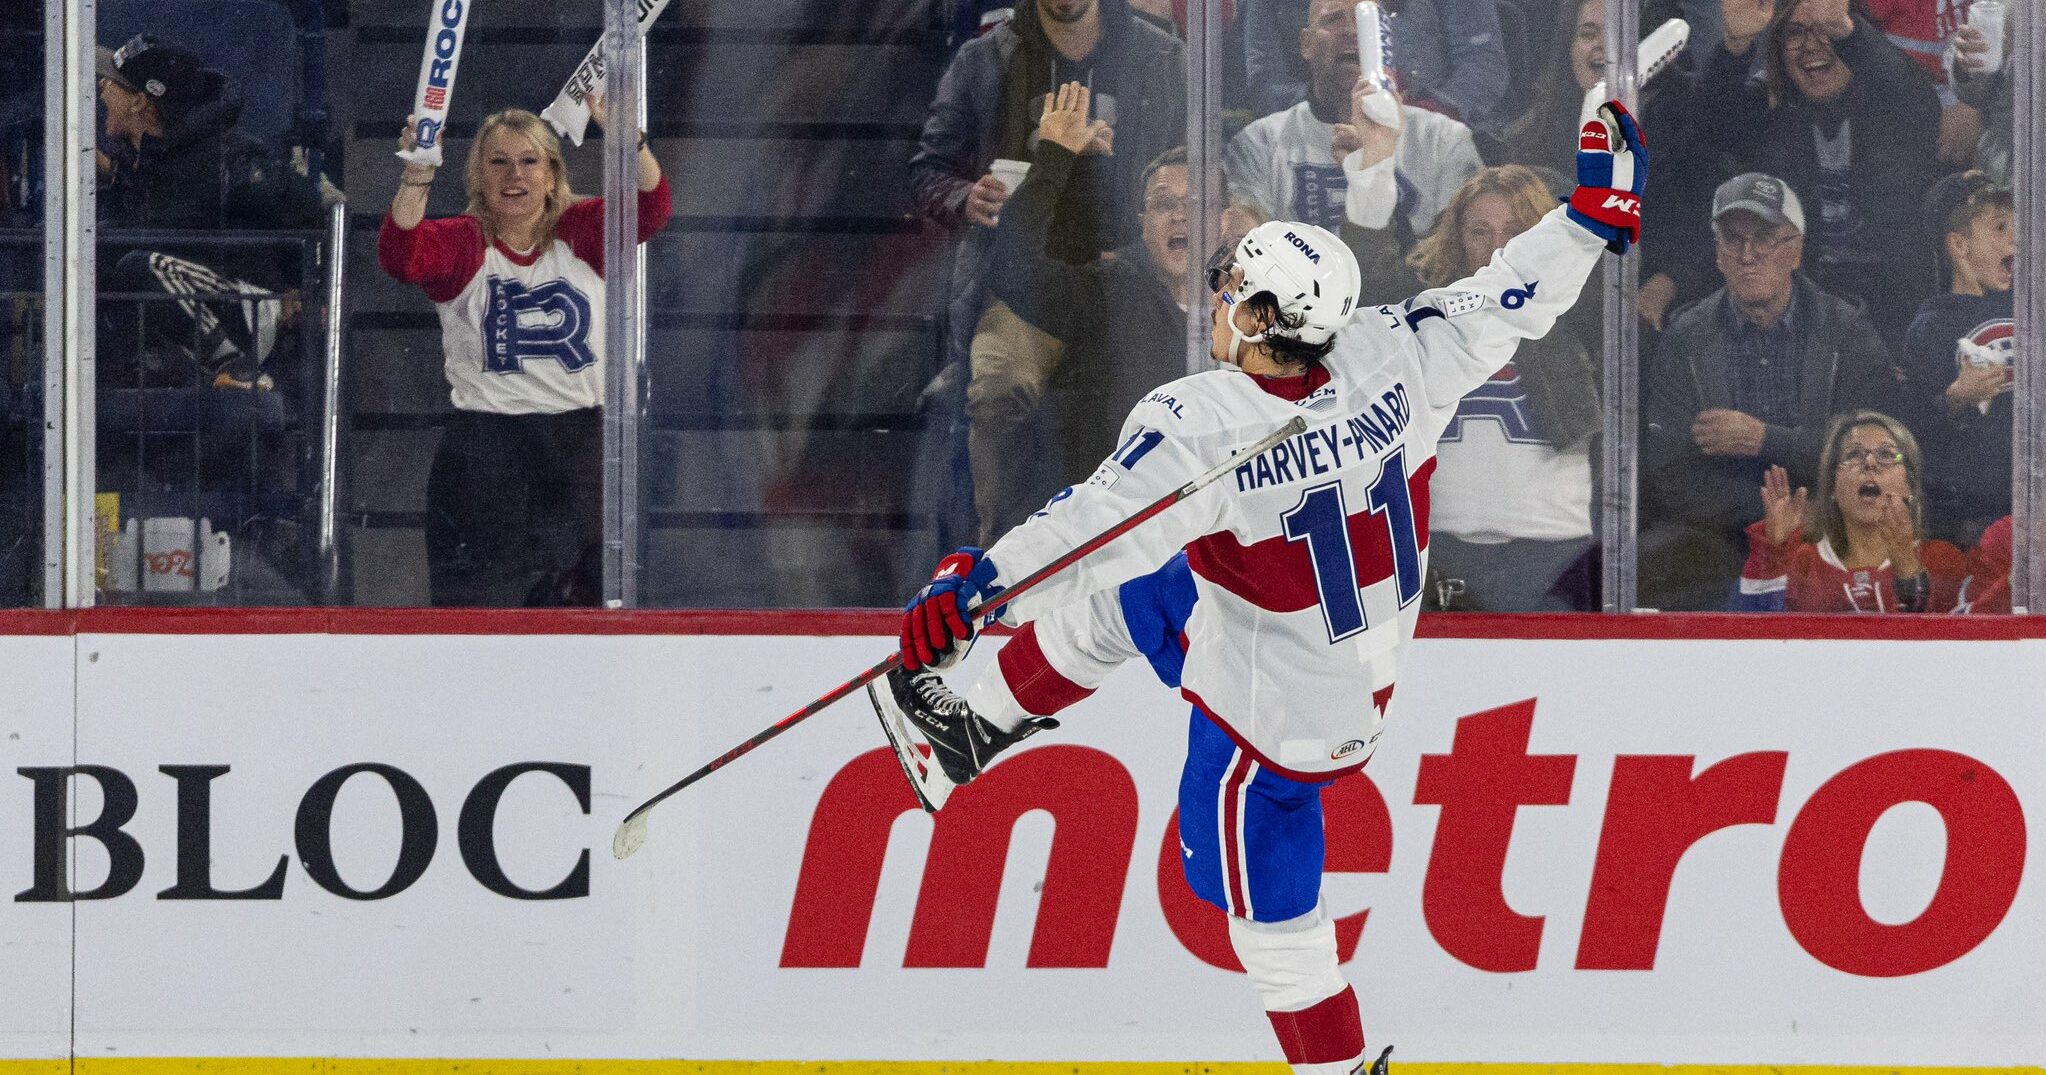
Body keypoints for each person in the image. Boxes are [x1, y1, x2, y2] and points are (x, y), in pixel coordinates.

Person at [871, 101, 1648, 1075]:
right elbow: (1511, 293)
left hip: (1271, 713)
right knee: (1140, 594)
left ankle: (1332, 1067)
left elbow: (1088, 528)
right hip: (1356, 661)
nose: (1218, 302)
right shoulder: (1395, 349)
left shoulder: (1207, 423)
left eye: (1233, 290)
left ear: (1266, 318)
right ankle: (967, 727)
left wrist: (976, 589)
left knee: (1267, 909)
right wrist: (1589, 218)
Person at [909, 0, 1187, 542]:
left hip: (1126, 279)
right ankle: (1001, 559)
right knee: (999, 389)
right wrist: (964, 196)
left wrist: (1121, 169)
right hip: (1022, 285)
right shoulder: (984, 59)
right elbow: (928, 171)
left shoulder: (1160, 56)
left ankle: (1157, 550)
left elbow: (1187, 164)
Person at [377, 101, 671, 607]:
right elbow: (401, 255)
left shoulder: (582, 232)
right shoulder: (465, 242)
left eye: (529, 161)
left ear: (553, 175)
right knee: (477, 622)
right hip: (485, 454)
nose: (515, 174)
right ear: (479, 178)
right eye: (498, 162)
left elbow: (651, 208)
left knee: (584, 620)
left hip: (577, 449)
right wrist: (417, 177)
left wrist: (631, 142)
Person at [989, 85, 1264, 505]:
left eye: (1195, 202)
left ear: (1224, 221)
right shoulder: (1110, 294)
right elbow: (1012, 270)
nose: (1179, 215)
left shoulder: (1259, 307)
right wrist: (1053, 160)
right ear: (1143, 224)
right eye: (1162, 204)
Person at [1640, 172, 1893, 610]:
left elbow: (1875, 450)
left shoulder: (1848, 331)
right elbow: (1670, 472)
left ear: (1796, 250)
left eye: (1766, 239)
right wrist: (1771, 519)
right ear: (1717, 254)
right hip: (1719, 533)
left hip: (1831, 520)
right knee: (1655, 559)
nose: (1748, 255)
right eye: (1732, 240)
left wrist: (1766, 439)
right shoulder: (1684, 337)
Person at [1403, 165, 1600, 610]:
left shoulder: (1578, 315)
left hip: (1554, 549)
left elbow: (1598, 252)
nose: (1498, 248)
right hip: (1438, 549)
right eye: (1479, 231)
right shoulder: (1426, 323)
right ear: (1458, 240)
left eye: (1515, 231)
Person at [1691, 0, 1942, 340]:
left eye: (1826, 31)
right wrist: (1735, 46)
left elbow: (1908, 89)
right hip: (1800, 308)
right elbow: (1711, 130)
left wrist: (1845, 30)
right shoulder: (1771, 112)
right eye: (1795, 33)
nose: (1811, 46)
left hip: (1896, 307)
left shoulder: (1893, 105)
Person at [95, 33, 322, 391]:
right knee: (101, 251)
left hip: (245, 308)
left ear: (140, 101)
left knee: (138, 265)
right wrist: (112, 172)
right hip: (189, 310)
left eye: (112, 82)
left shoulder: (226, 158)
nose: (102, 87)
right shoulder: (144, 162)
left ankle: (235, 366)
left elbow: (308, 206)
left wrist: (304, 290)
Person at [1492, 0, 1708, 330]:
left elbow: (1700, 221)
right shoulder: (1527, 141)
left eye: (1615, 34)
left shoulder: (1684, 127)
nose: (1600, 46)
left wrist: (1667, 281)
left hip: (1645, 318)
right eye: (1587, 33)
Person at [1227, 0, 1482, 243]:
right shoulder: (1257, 145)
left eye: (1364, 21)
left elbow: (1454, 259)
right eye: (1333, 19)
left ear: (1386, 41)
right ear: (1306, 43)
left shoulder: (1445, 140)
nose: (1350, 31)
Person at [1732, 410, 1970, 612]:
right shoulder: (1802, 561)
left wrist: (1908, 570)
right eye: (1853, 455)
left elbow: (1946, 652)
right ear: (1832, 487)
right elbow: (1752, 643)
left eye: (1887, 455)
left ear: (1910, 484)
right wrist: (1773, 553)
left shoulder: (1941, 559)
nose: (1869, 463)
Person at [1895, 170, 2013, 545]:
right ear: (1959, 246)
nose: (2016, 237)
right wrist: (1956, 397)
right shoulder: (1931, 326)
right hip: (1970, 522)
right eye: (1999, 228)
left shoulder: (2032, 309)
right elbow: (1911, 435)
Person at [1239, 0, 1509, 132]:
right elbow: (1266, 82)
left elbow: (1483, 64)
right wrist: (1333, 116)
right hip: (1309, 134)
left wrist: (1422, 117)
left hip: (1429, 134)